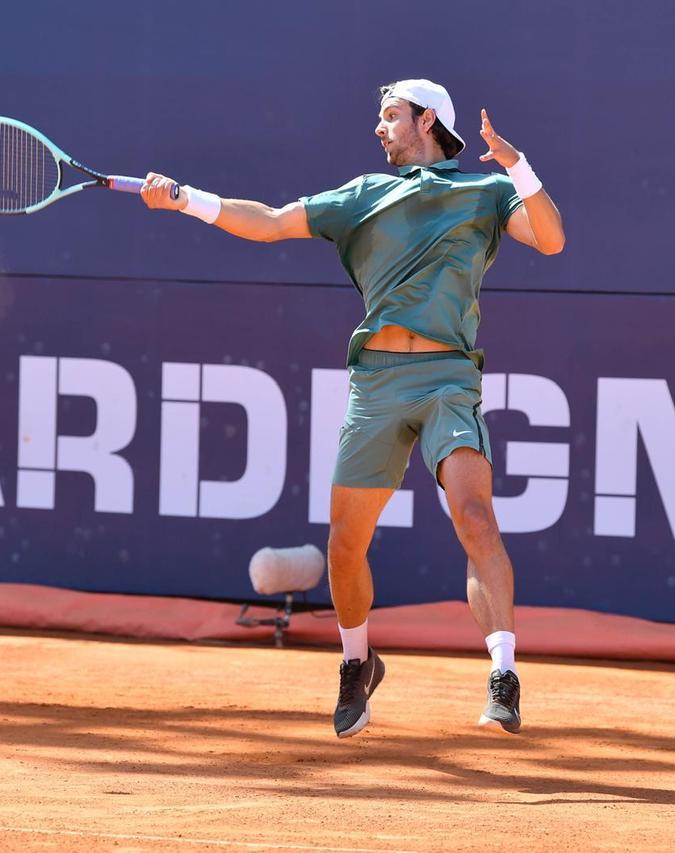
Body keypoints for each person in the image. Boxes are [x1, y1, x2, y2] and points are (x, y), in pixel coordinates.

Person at [141, 79, 565, 738]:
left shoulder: (485, 195)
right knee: (345, 543)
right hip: (376, 384)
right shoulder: (363, 195)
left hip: (447, 377)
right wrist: (186, 200)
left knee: (474, 512)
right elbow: (273, 221)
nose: (379, 127)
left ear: (427, 120)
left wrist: (517, 165)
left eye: (391, 116)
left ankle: (503, 671)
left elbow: (550, 238)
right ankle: (357, 662)